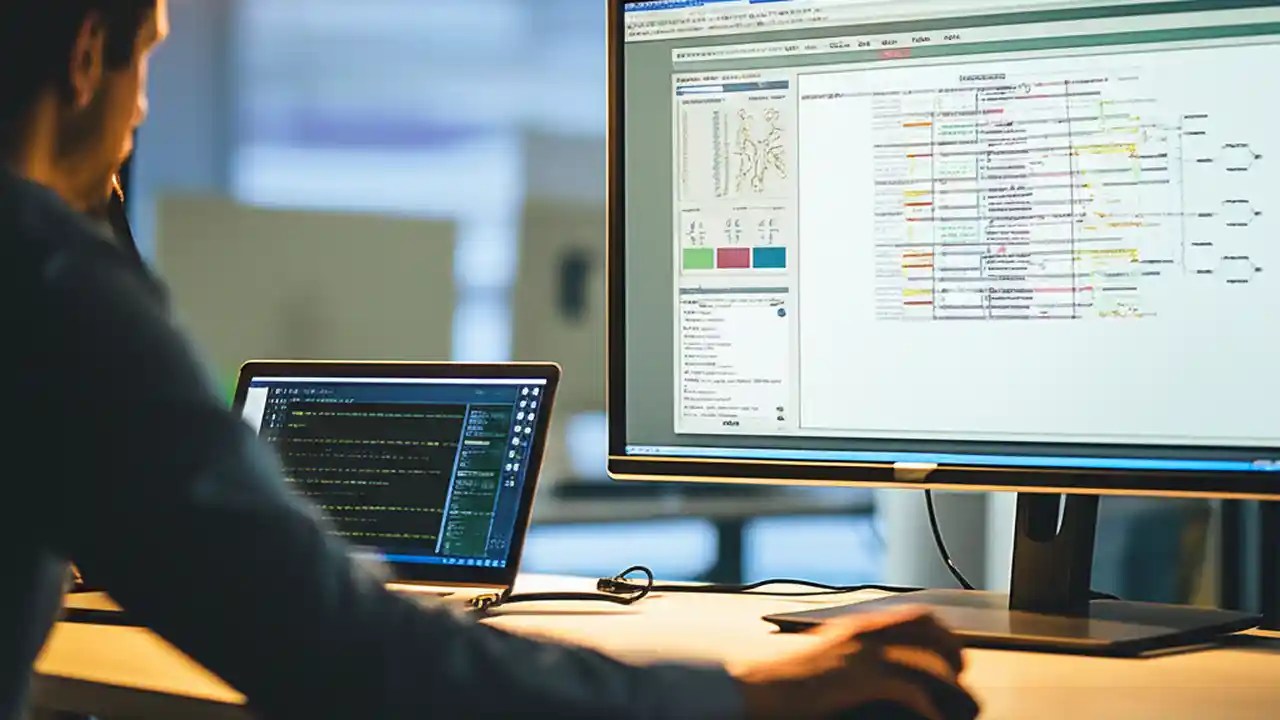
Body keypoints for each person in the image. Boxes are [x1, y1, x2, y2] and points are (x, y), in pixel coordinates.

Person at [0, 2, 979, 719]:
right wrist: (743, 696)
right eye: (148, 58)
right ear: (87, 57)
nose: (143, 107)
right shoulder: (48, 288)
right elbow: (343, 652)